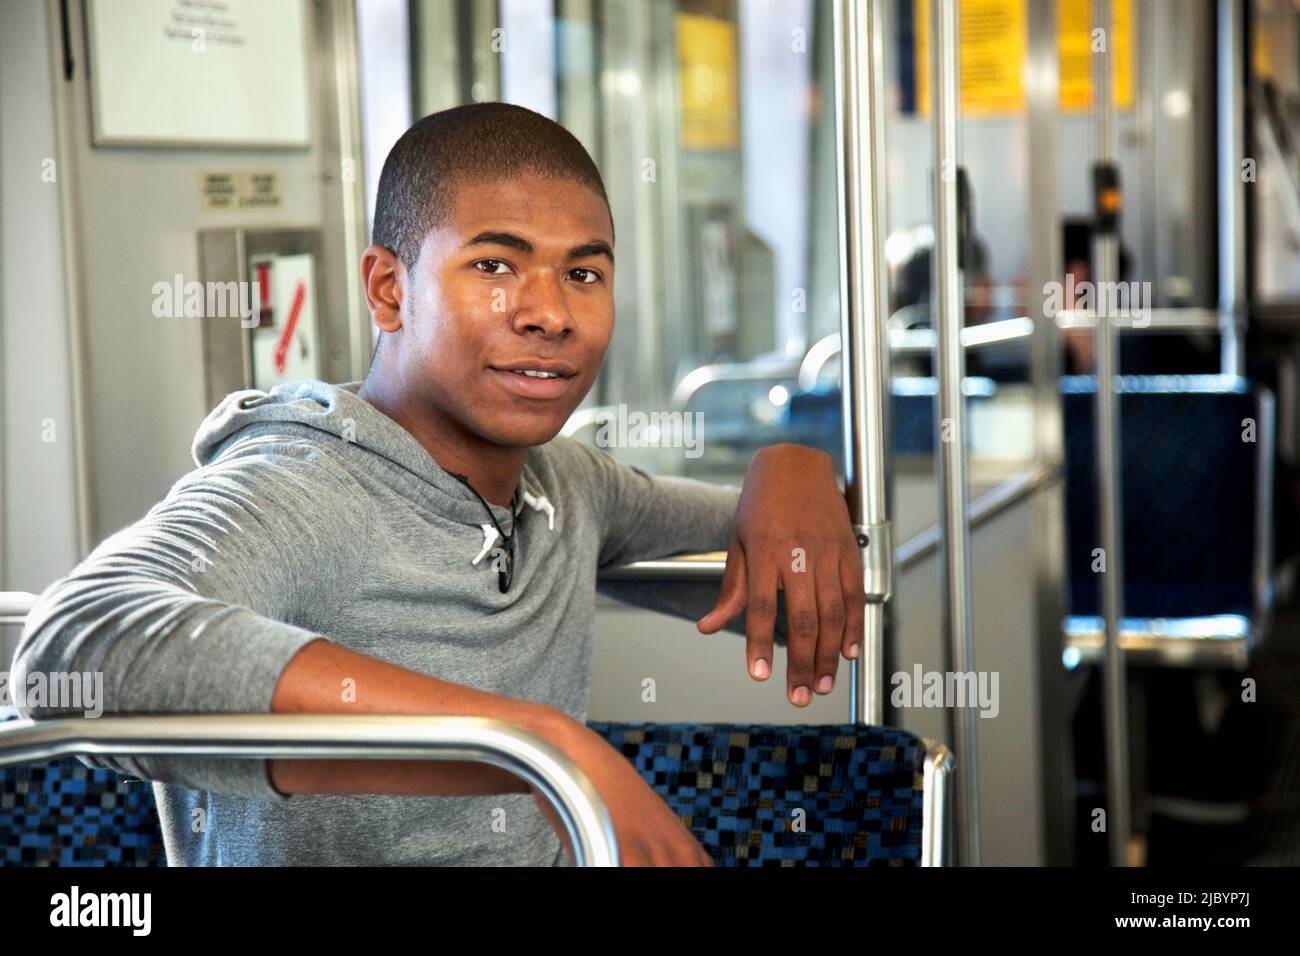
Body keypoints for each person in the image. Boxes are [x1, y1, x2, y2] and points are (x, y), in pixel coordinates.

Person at [12, 103, 865, 867]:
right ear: (389, 290)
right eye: (495, 267)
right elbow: (76, 645)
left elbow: (800, 557)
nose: (550, 313)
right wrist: (530, 745)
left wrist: (792, 467)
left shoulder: (569, 484)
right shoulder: (299, 487)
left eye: (584, 273)